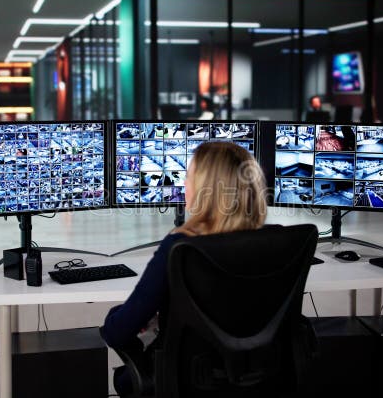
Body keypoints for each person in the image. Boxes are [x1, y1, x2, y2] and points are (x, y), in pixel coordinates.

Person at [101, 141, 268, 395]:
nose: (184, 184)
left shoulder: (180, 247)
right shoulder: (277, 243)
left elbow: (117, 333)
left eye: (189, 176)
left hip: (187, 379)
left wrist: (117, 319)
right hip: (260, 373)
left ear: (205, 191)